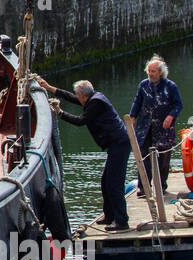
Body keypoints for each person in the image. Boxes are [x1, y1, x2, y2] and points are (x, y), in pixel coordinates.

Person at [38, 77, 132, 231]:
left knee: (114, 184)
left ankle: (122, 221)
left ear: (83, 95)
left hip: (119, 145)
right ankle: (109, 215)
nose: (77, 98)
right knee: (105, 181)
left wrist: (60, 113)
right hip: (115, 145)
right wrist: (50, 88)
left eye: (78, 95)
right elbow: (74, 98)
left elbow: (81, 121)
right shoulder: (94, 98)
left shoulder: (96, 103)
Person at [128, 56, 183, 193]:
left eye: (153, 71)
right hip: (145, 127)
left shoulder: (170, 86)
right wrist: (132, 117)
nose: (150, 74)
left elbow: (178, 105)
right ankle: (143, 187)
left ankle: (161, 187)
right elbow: (137, 102)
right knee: (143, 157)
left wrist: (171, 116)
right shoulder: (143, 85)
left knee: (163, 159)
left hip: (163, 128)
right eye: (149, 71)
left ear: (160, 72)